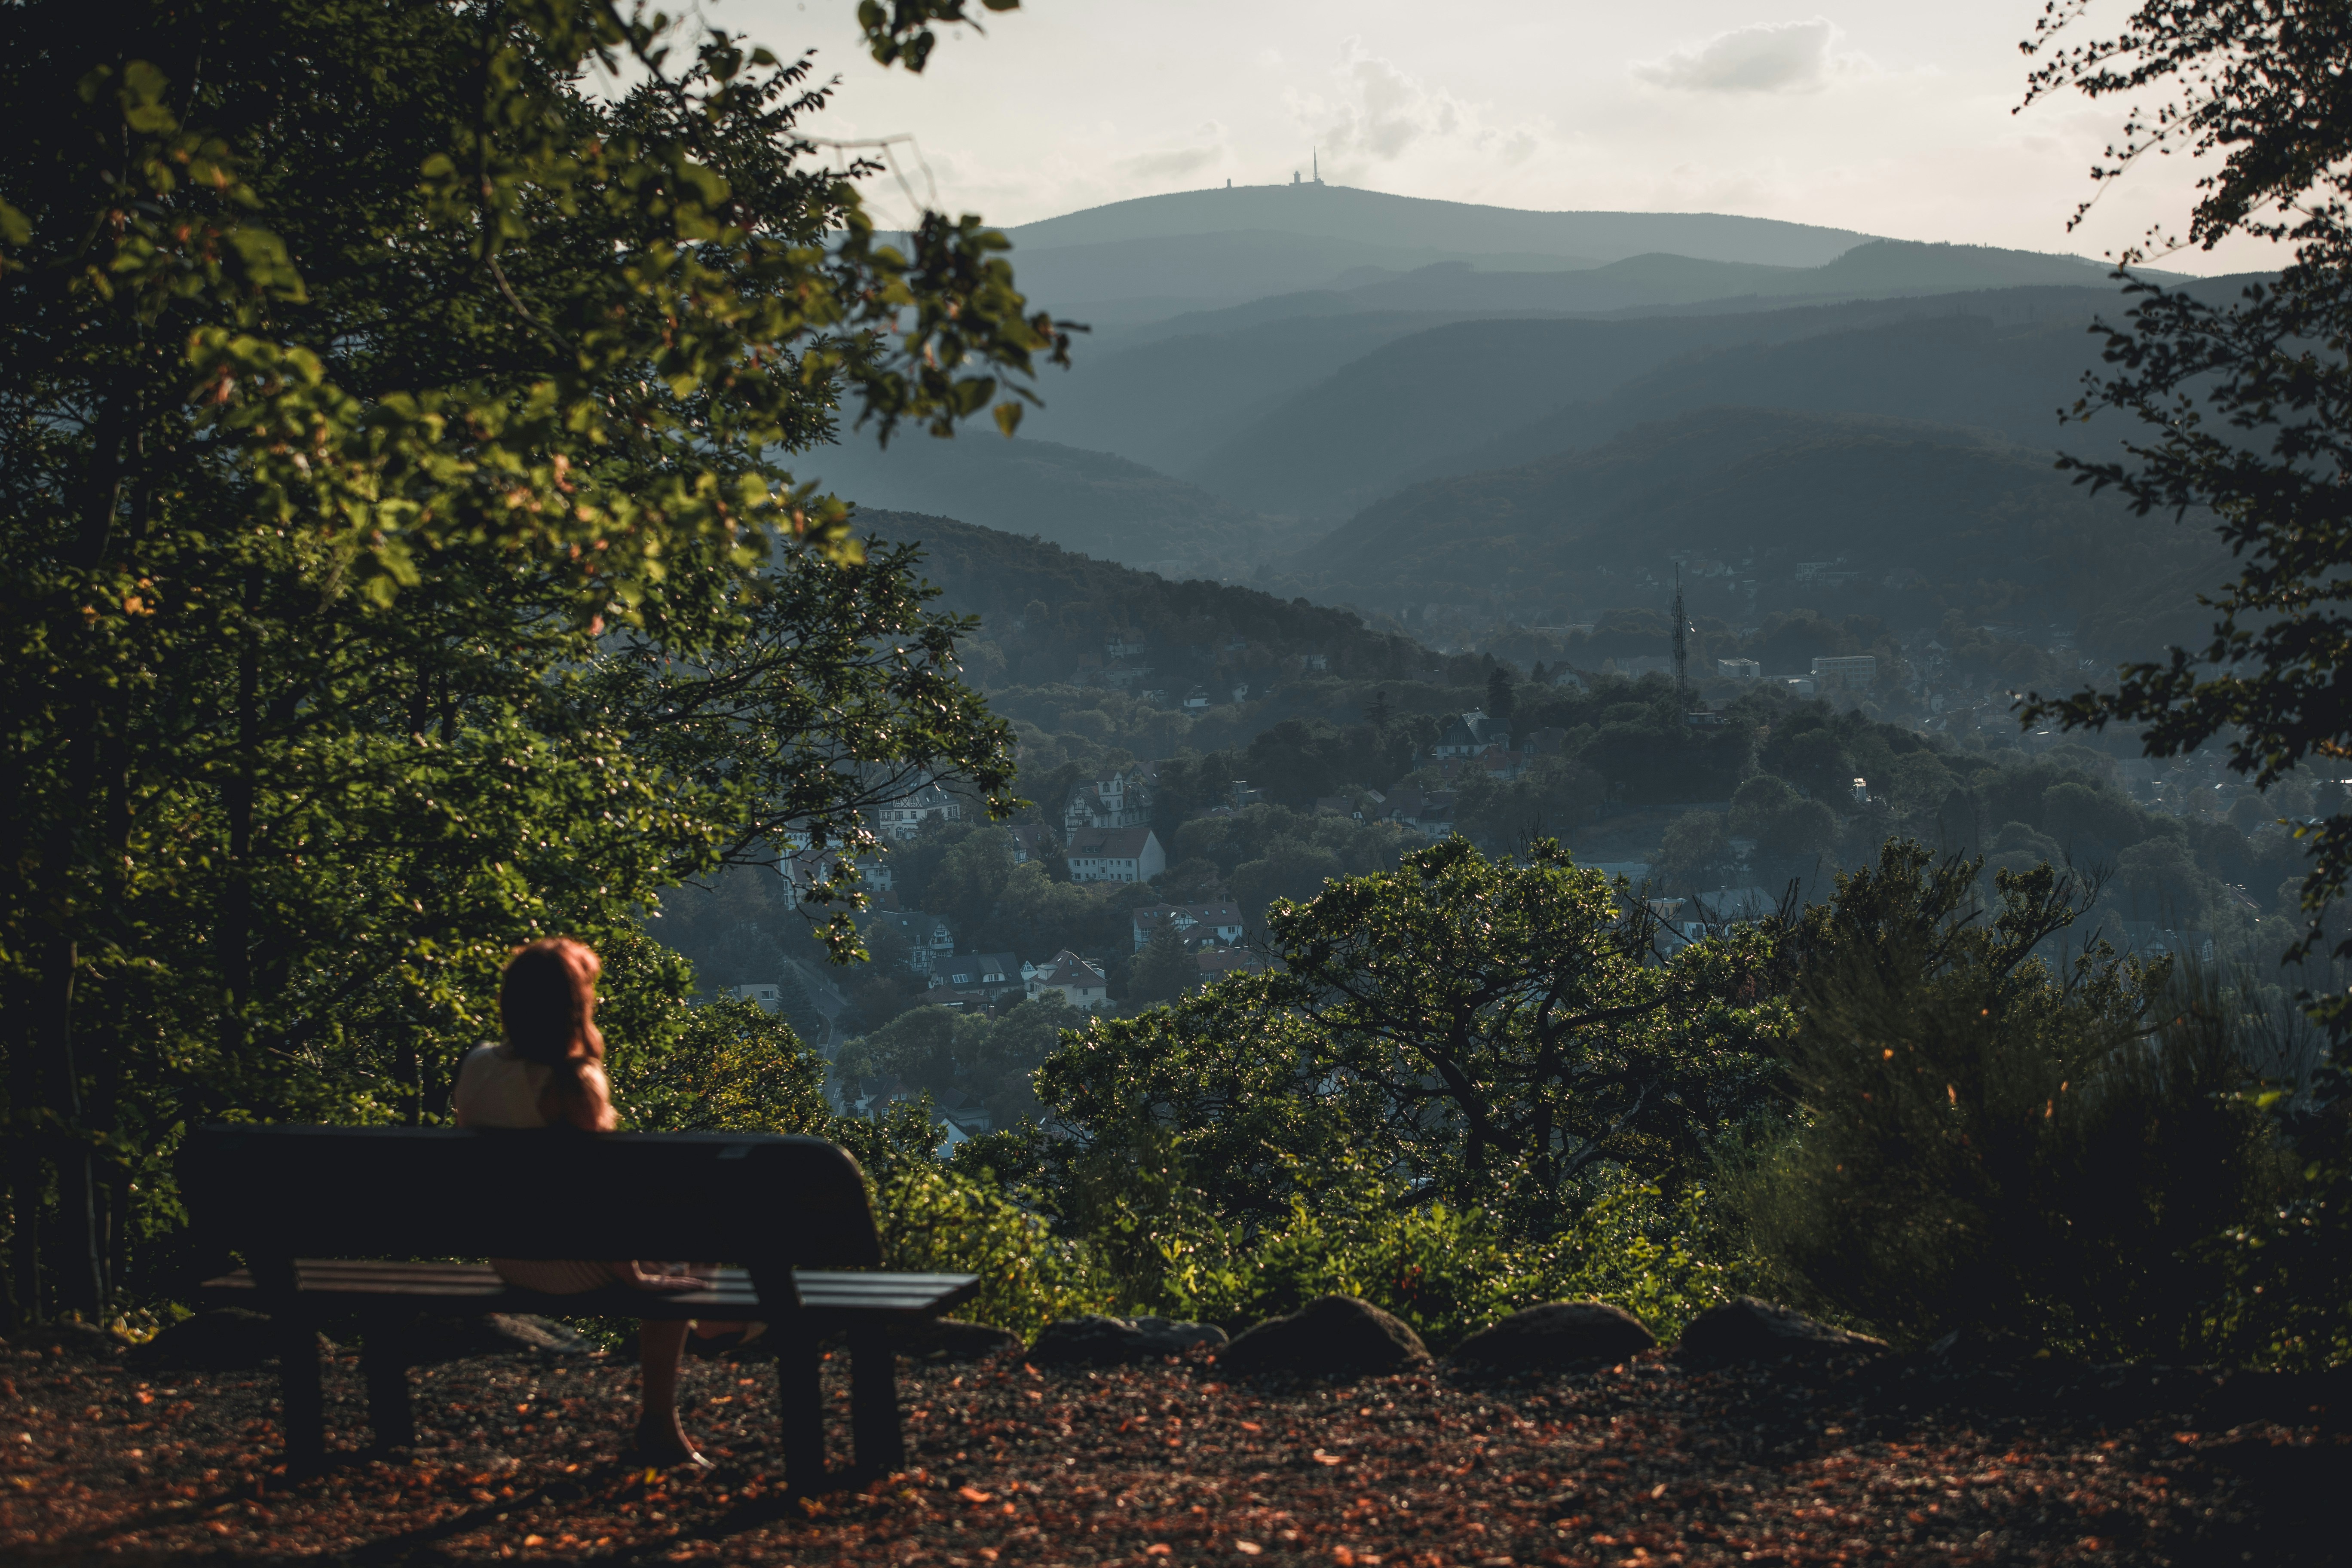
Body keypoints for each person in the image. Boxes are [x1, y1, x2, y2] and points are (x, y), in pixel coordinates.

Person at [453, 937, 752, 1467]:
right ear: (576, 1006)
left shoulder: (477, 1066)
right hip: (567, 1263)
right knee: (684, 1254)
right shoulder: (572, 1083)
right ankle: (663, 1417)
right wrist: (637, 1279)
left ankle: (713, 1323)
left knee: (678, 1240)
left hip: (506, 1255)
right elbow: (601, 1205)